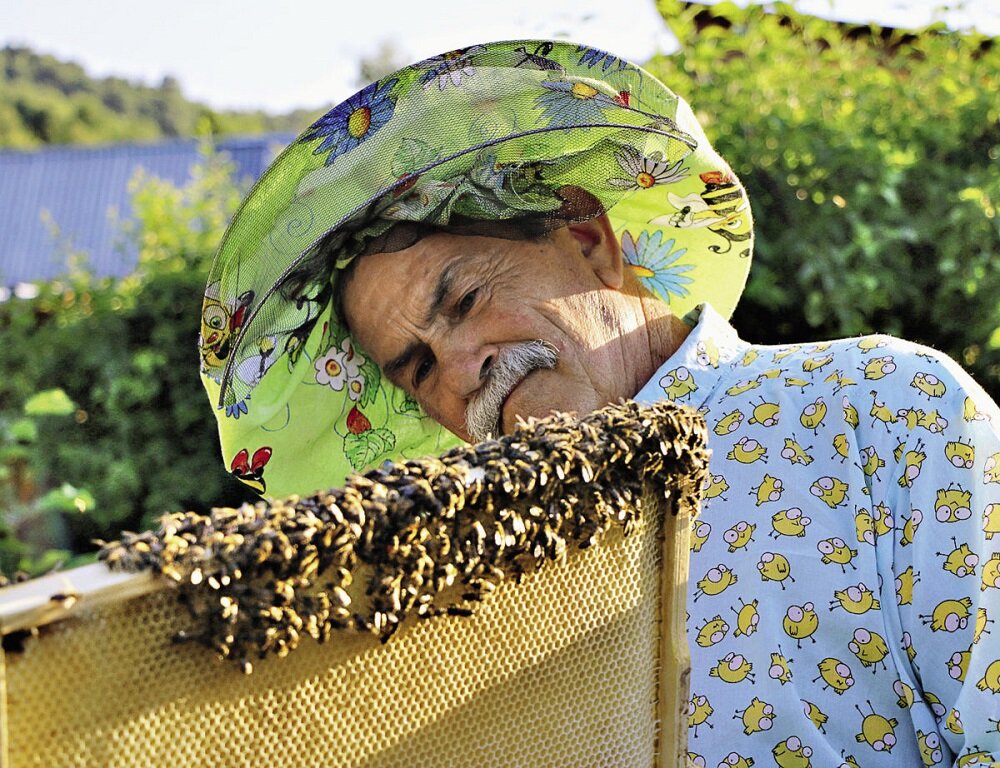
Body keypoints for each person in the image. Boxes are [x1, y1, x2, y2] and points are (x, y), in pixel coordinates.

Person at [199, 40, 1000, 766]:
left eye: (467, 298)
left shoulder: (881, 404)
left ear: (590, 242)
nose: (462, 370)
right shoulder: (480, 571)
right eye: (417, 367)